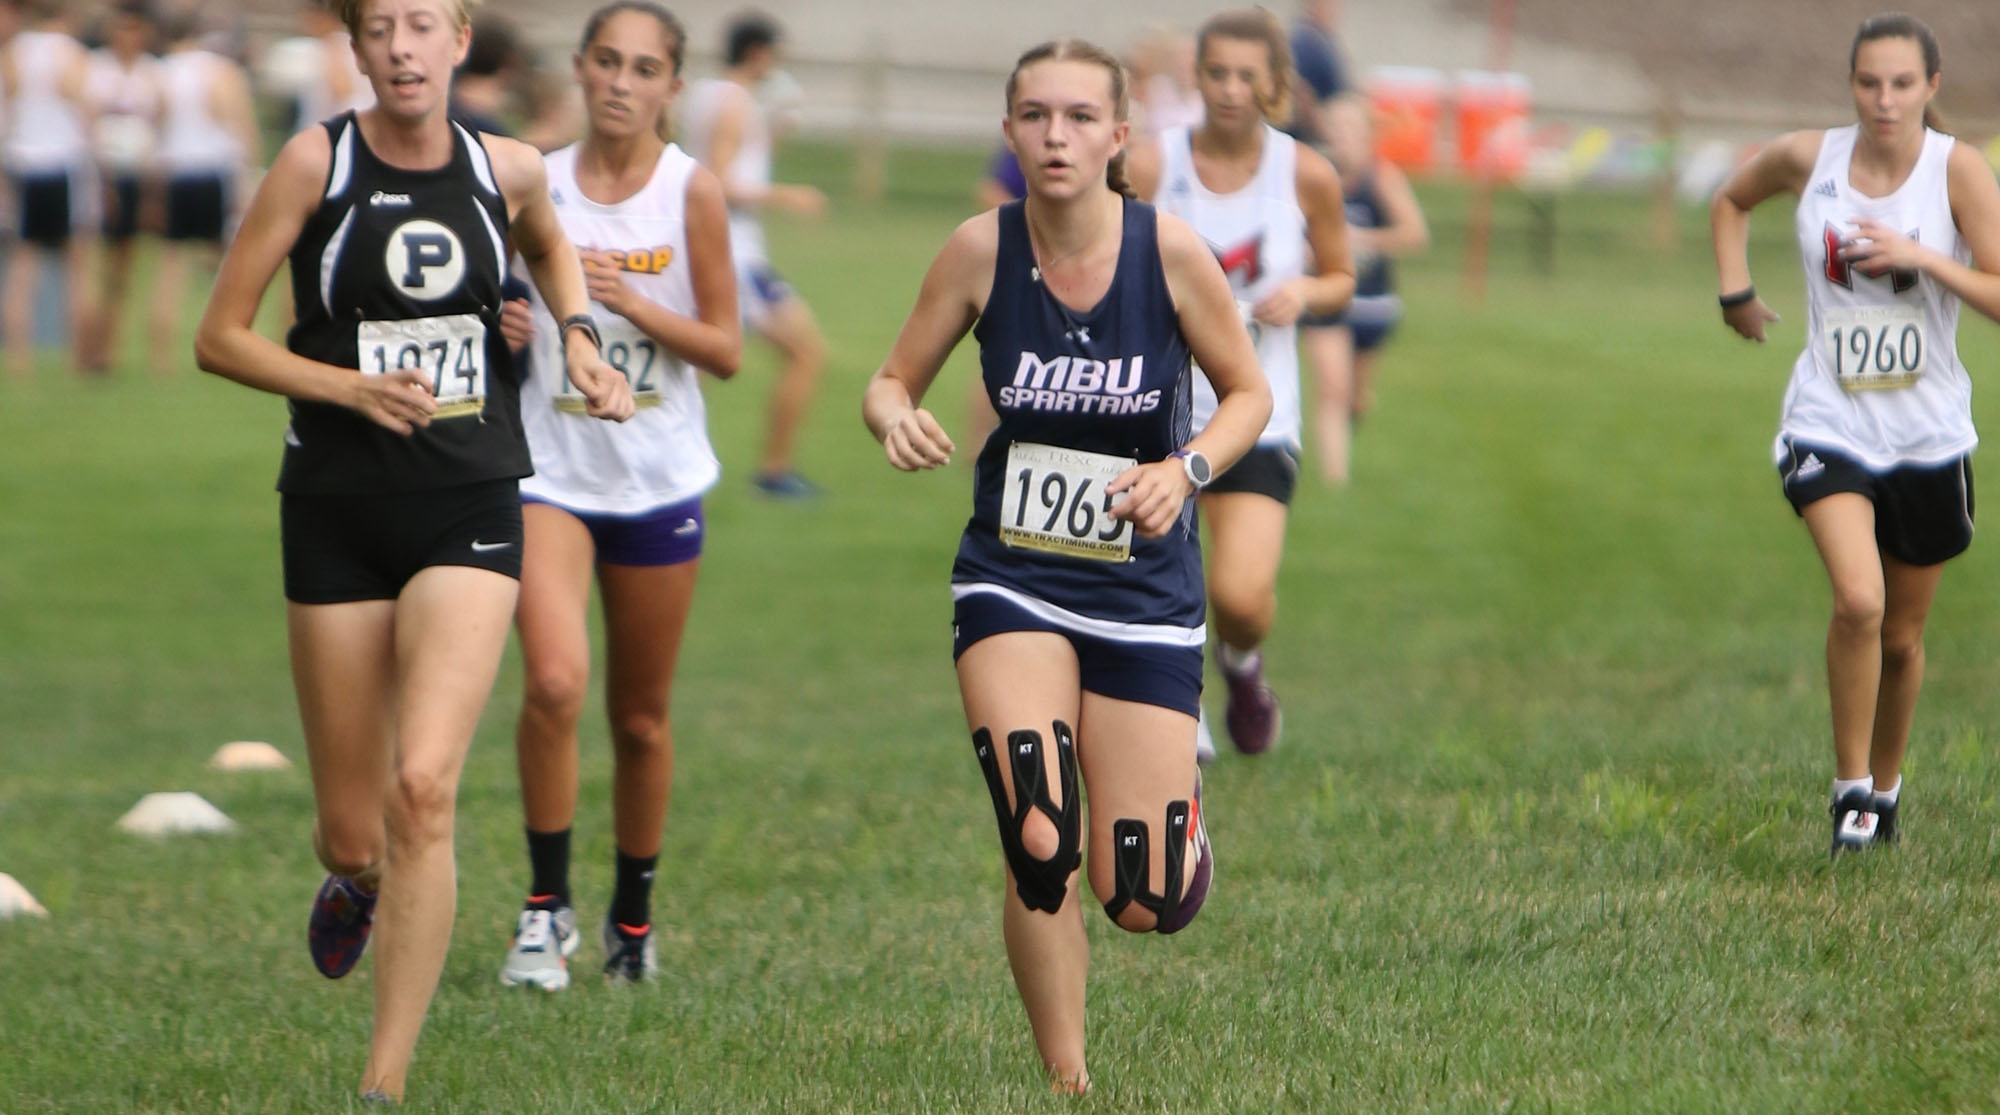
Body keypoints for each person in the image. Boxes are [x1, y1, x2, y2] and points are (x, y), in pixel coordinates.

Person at [191, 0, 631, 1100]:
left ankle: (383, 1080)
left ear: (458, 38)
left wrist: (576, 335)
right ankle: (354, 878)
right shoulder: (312, 164)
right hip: (336, 505)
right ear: (356, 45)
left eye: (421, 24)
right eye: (380, 25)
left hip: (468, 498)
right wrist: (348, 385)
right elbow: (220, 336)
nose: (400, 46)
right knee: (353, 832)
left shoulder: (511, 167)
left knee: (423, 785)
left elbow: (548, 246)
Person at [862, 39, 1271, 1091]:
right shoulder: (977, 251)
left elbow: (1246, 396)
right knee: (1036, 828)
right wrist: (895, 417)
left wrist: (1183, 470)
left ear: (1118, 137)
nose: (1056, 136)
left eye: (1080, 117)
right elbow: (888, 379)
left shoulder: (1169, 253)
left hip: (1143, 583)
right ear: (1008, 132)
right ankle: (1066, 1075)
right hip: (1011, 572)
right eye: (1035, 116)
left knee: (1141, 897)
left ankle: (1177, 821)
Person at [1710, 13, 2000, 858]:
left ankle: (1886, 787)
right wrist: (1736, 289)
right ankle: (1848, 796)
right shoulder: (1812, 157)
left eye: (1902, 84)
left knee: (1904, 637)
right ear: (1852, 84)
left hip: (1928, 433)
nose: (1884, 99)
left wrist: (1923, 256)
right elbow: (1732, 199)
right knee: (1860, 600)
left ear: (1931, 87)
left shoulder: (1960, 171)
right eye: (1870, 82)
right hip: (1829, 417)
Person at [493, 0, 739, 991]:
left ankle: (631, 914)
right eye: (606, 61)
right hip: (548, 474)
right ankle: (542, 909)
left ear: (671, 87)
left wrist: (632, 303)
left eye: (644, 68)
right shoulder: (529, 182)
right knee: (553, 682)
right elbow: (492, 307)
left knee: (639, 718)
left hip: (654, 476)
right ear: (581, 69)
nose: (622, 82)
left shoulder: (692, 195)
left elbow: (724, 350)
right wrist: (507, 327)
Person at [1129, 8, 1354, 759]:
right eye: (1216, 72)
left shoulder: (1306, 174)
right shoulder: (1154, 165)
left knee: (1241, 598)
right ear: (1197, 76)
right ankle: (1176, 700)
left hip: (1259, 416)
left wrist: (1308, 295)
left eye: (1245, 76)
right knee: (1167, 580)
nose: (1229, 89)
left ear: (1274, 86)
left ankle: (1244, 666)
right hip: (1155, 419)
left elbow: (1343, 279)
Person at [678, 11, 828, 498]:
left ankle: (667, 460)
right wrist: (791, 196)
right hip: (734, 251)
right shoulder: (736, 101)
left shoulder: (703, 92)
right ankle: (775, 471)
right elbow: (718, 181)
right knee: (806, 352)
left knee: (690, 364)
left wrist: (775, 129)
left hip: (714, 245)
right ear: (759, 53)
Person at [1315, 93, 1425, 484]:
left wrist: (1362, 239)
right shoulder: (1315, 174)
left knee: (1355, 398)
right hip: (1327, 298)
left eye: (1349, 129)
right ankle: (1335, 481)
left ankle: (1352, 420)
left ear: (1366, 135)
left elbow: (1415, 234)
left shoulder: (1381, 178)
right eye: (1335, 128)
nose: (1340, 136)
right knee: (1333, 389)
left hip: (1374, 303)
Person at [149, 13, 260, 376]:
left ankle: (161, 358)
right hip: (211, 171)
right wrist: (247, 175)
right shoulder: (218, 70)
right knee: (231, 264)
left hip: (176, 172)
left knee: (171, 265)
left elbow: (156, 127)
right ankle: (233, 343)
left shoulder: (160, 72)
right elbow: (239, 122)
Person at [1, 0, 97, 378]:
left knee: (23, 265)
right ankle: (77, 358)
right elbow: (86, 109)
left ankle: (19, 360)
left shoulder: (13, 52)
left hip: (23, 160)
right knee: (77, 264)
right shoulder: (71, 54)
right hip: (63, 162)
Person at [82, 0, 161, 373]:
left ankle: (109, 348)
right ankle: (86, 347)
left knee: (122, 270)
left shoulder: (152, 75)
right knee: (90, 267)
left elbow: (159, 132)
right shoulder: (95, 70)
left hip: (136, 177)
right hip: (99, 174)